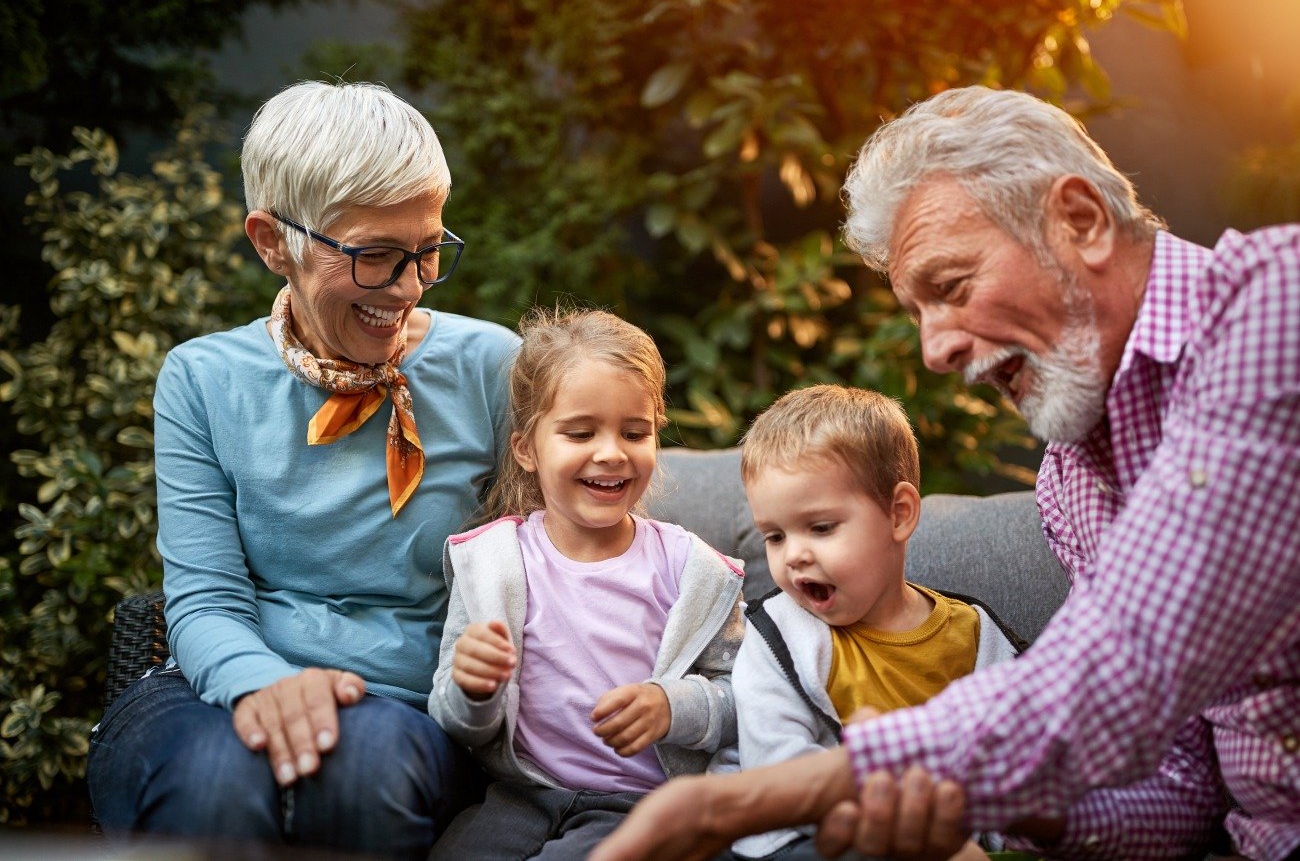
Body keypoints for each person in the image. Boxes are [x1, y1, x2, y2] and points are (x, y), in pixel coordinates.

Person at [592, 85, 1300, 861]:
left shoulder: (1273, 304)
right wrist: (1017, 808)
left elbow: (1125, 663)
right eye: (917, 312)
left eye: (952, 288)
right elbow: (1186, 786)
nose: (936, 352)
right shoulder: (1071, 479)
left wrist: (755, 796)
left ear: (1081, 221)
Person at [87, 81, 520, 857]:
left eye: (427, 251)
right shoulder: (202, 380)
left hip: (409, 704)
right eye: (375, 256)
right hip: (209, 686)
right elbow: (206, 599)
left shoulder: (492, 368)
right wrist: (267, 683)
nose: (409, 286)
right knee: (213, 780)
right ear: (271, 240)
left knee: (365, 768)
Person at [426, 307, 746, 860]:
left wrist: (673, 705)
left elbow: (744, 699)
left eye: (634, 431)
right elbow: (457, 722)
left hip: (639, 805)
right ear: (526, 448)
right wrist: (474, 689)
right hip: (520, 794)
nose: (610, 452)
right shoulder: (491, 563)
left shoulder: (691, 570)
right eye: (579, 432)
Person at [727, 384, 1020, 861]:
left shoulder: (974, 634)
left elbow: (1019, 755)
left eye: (821, 528)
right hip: (806, 835)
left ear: (899, 514)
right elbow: (778, 774)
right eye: (775, 536)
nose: (794, 555)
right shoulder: (778, 635)